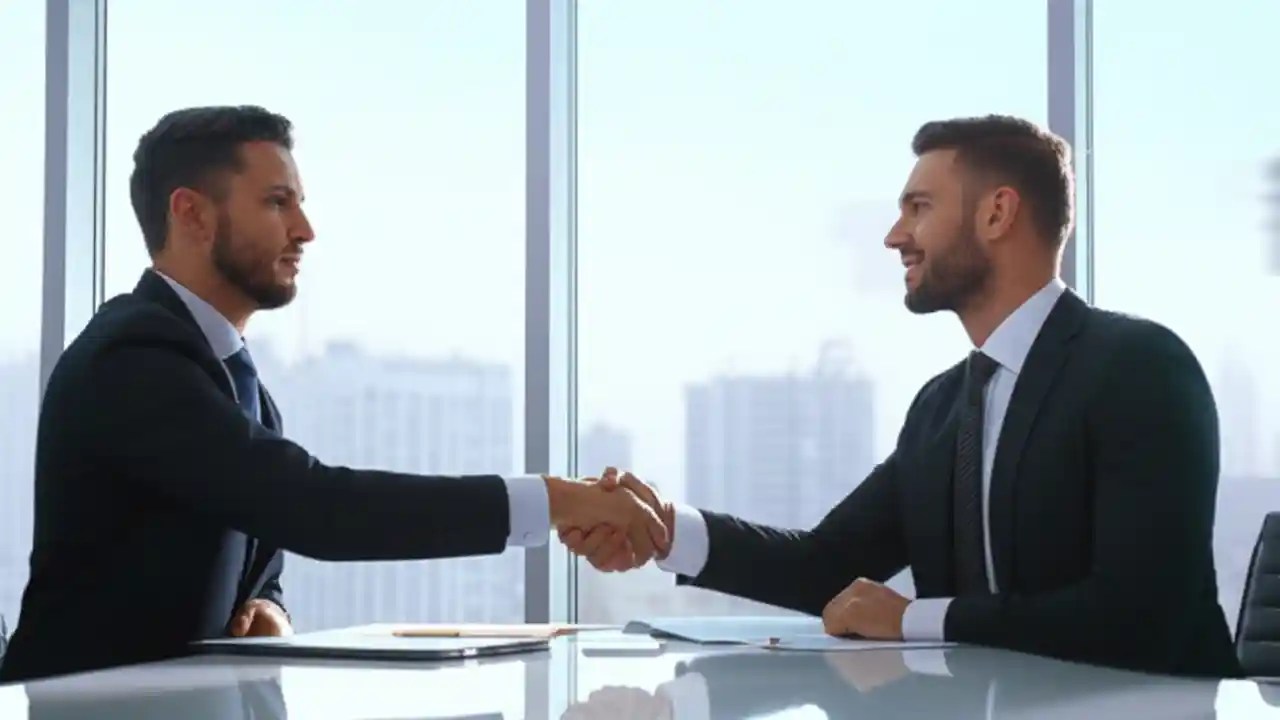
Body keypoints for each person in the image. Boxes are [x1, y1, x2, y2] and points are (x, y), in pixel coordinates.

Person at [0, 105, 664, 683]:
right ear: (192, 214)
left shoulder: (232, 374)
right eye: (277, 202)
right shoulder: (133, 358)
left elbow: (260, 556)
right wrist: (552, 499)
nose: (305, 229)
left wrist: (270, 610)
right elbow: (315, 507)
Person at [566, 115, 1240, 677]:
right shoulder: (944, 407)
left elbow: (1141, 613)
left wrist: (914, 619)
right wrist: (664, 530)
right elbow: (827, 565)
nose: (894, 236)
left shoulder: (1138, 366)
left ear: (997, 213)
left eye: (919, 208)